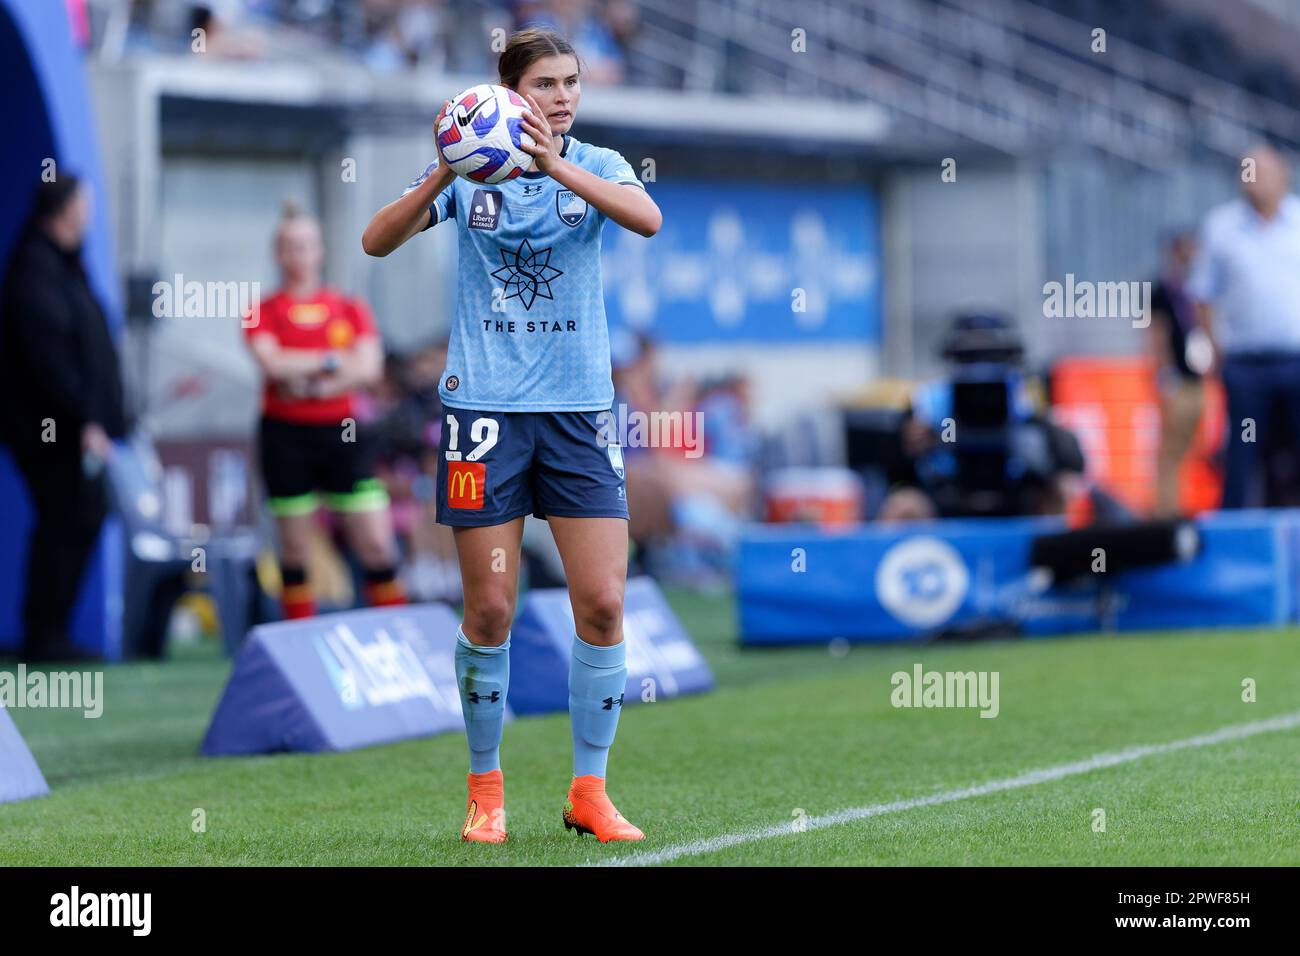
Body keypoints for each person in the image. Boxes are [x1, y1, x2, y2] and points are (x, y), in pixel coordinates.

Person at [363, 27, 662, 844]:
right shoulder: (467, 174)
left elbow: (648, 219)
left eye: (572, 82)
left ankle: (589, 792)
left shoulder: (596, 164)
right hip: (482, 421)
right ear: (508, 91)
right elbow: (376, 239)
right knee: (490, 608)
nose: (562, 96)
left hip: (577, 416)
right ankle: (486, 787)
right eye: (545, 83)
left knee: (601, 605)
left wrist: (556, 164)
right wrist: (441, 170)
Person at [245, 203, 407, 620]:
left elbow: (369, 367)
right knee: (296, 551)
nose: (298, 255)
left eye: (305, 246)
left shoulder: (348, 308)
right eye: (289, 247)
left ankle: (396, 632)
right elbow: (271, 364)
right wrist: (335, 360)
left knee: (376, 543)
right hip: (285, 436)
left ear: (319, 251)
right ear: (277, 254)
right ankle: (300, 642)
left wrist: (312, 379)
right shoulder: (261, 310)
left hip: (344, 434)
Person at [0, 176, 126, 662]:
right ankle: (43, 635)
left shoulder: (65, 264)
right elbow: (48, 358)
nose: (90, 212)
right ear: (64, 209)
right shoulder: (35, 268)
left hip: (76, 427)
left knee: (79, 517)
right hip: (51, 431)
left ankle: (51, 631)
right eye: (84, 203)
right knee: (63, 519)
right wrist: (84, 420)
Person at [1188, 144, 1300, 509]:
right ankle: (1237, 537)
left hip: (1294, 361)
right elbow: (1202, 293)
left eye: (1262, 172)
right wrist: (1215, 348)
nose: (1253, 181)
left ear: (1282, 178)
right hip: (1246, 366)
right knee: (1243, 450)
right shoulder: (1222, 228)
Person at [1148, 230, 1207, 517]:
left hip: (1197, 379)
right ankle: (1164, 510)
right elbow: (1157, 336)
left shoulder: (1196, 290)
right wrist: (1164, 377)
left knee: (1187, 446)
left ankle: (1176, 504)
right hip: (1177, 380)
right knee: (1169, 449)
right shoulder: (1162, 291)